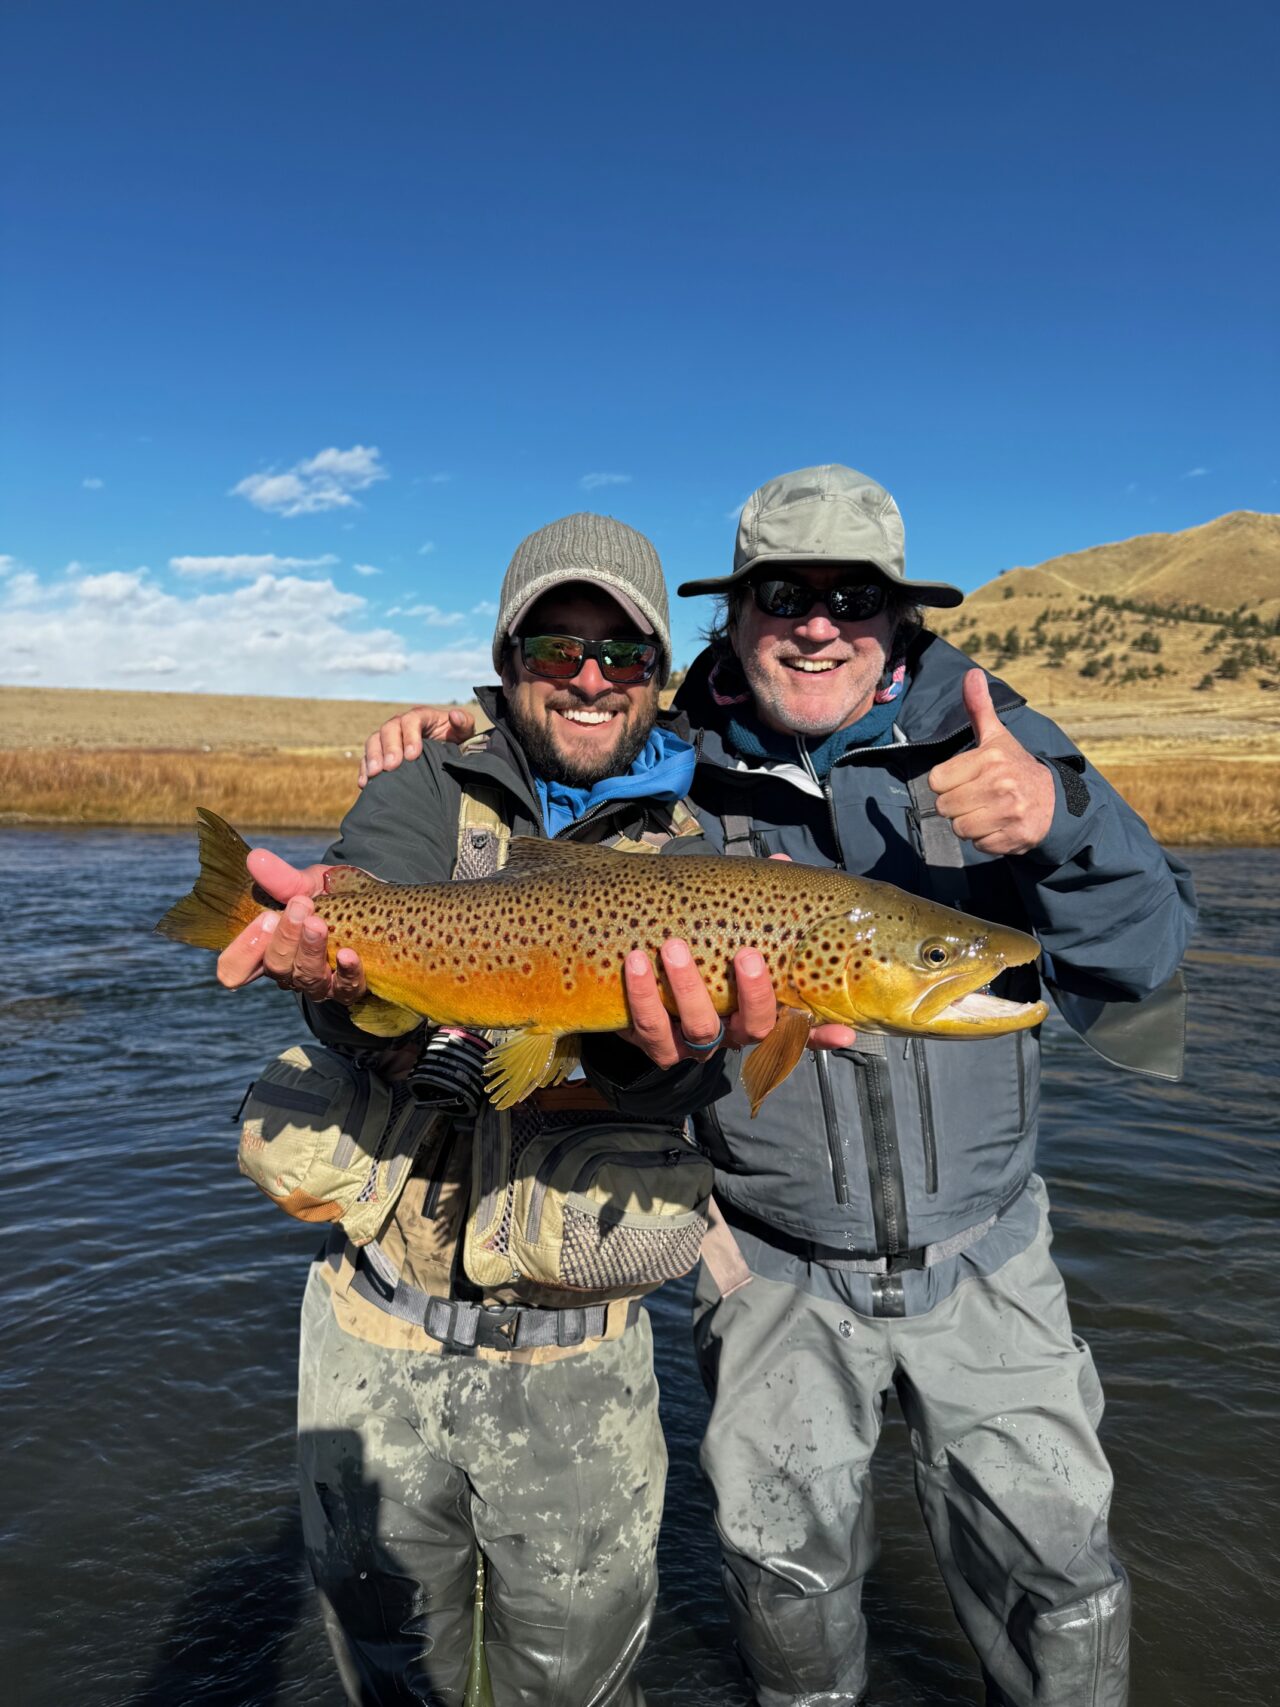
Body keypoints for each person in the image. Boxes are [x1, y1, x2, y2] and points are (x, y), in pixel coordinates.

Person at [364, 465, 1196, 1707]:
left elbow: (1141, 957)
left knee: (1058, 1579)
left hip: (987, 1255)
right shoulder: (661, 764)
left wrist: (1062, 824)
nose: (816, 625)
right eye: (780, 596)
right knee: (784, 1585)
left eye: (851, 598)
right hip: (762, 1266)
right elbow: (548, 746)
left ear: (895, 616)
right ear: (734, 615)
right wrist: (445, 736)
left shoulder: (997, 744)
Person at [214, 512, 787, 1707]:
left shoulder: (701, 850)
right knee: (387, 1671)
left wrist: (657, 1058)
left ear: (658, 672)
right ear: (507, 660)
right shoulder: (423, 786)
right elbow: (361, 940)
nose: (588, 677)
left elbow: (686, 1088)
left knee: (575, 1682)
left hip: (582, 1356)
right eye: (554, 647)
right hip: (373, 1333)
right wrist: (331, 979)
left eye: (621, 652)